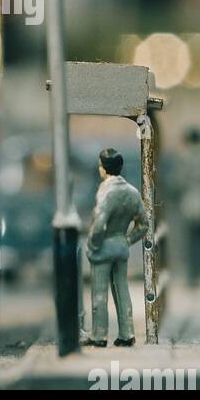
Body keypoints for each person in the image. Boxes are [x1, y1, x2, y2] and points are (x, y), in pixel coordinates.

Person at [82, 148, 148, 348]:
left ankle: (99, 335)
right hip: (121, 246)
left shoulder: (106, 191)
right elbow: (143, 224)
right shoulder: (132, 191)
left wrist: (93, 245)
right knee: (122, 290)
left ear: (104, 168)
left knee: (99, 294)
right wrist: (128, 240)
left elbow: (99, 224)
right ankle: (127, 333)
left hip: (104, 247)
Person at [174, 127, 200, 286]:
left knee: (192, 245)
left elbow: (178, 183)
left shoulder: (184, 159)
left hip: (191, 206)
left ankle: (193, 278)